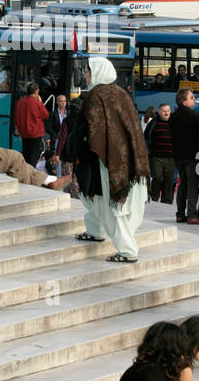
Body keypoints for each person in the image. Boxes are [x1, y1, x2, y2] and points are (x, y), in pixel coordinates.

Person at [64, 57, 149, 263]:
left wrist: (68, 151)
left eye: (88, 71)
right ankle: (94, 230)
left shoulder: (96, 95)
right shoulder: (121, 94)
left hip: (107, 160)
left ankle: (127, 250)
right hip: (126, 157)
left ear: (98, 72)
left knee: (111, 203)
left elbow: (86, 128)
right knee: (97, 198)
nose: (85, 75)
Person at [171, 88, 199, 225]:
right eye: (191, 97)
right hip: (192, 155)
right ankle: (192, 215)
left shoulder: (175, 115)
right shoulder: (188, 113)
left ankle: (180, 213)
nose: (194, 99)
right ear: (183, 101)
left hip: (179, 155)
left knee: (183, 184)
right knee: (193, 185)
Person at [144, 102, 175, 204]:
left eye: (168, 111)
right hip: (156, 157)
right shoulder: (153, 123)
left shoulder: (174, 123)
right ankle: (154, 197)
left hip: (171, 157)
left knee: (169, 179)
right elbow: (146, 137)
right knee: (157, 177)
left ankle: (167, 200)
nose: (166, 113)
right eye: (164, 111)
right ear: (159, 112)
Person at [14, 82, 49, 166]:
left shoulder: (20, 103)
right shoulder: (37, 103)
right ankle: (30, 175)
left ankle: (26, 173)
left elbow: (17, 118)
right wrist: (40, 102)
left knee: (26, 156)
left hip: (24, 134)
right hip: (36, 134)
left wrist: (20, 132)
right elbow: (46, 115)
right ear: (36, 92)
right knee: (33, 158)